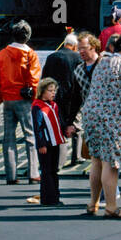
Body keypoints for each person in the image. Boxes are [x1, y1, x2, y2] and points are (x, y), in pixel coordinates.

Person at [79, 32, 121, 218]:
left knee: (96, 160)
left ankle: (93, 203)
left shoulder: (103, 62)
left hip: (91, 115)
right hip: (110, 119)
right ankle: (111, 207)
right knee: (111, 163)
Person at [0, 21, 41, 184]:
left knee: (9, 138)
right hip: (24, 100)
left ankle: (11, 175)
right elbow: (34, 79)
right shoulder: (30, 54)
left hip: (8, 99)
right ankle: (33, 173)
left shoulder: (1, 54)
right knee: (30, 136)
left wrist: (1, 97)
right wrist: (34, 97)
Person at [41, 32, 84, 168]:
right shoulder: (77, 58)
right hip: (72, 97)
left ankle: (58, 161)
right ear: (74, 46)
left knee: (57, 128)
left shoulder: (51, 57)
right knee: (75, 126)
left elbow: (44, 78)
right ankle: (76, 156)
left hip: (54, 97)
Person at [31, 79, 66, 206]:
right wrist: (41, 144)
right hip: (46, 143)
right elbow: (38, 127)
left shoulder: (53, 105)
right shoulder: (37, 106)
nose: (53, 93)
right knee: (47, 171)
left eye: (54, 91)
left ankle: (54, 196)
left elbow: (58, 121)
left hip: (55, 142)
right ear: (42, 92)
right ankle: (48, 198)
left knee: (53, 170)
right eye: (50, 91)